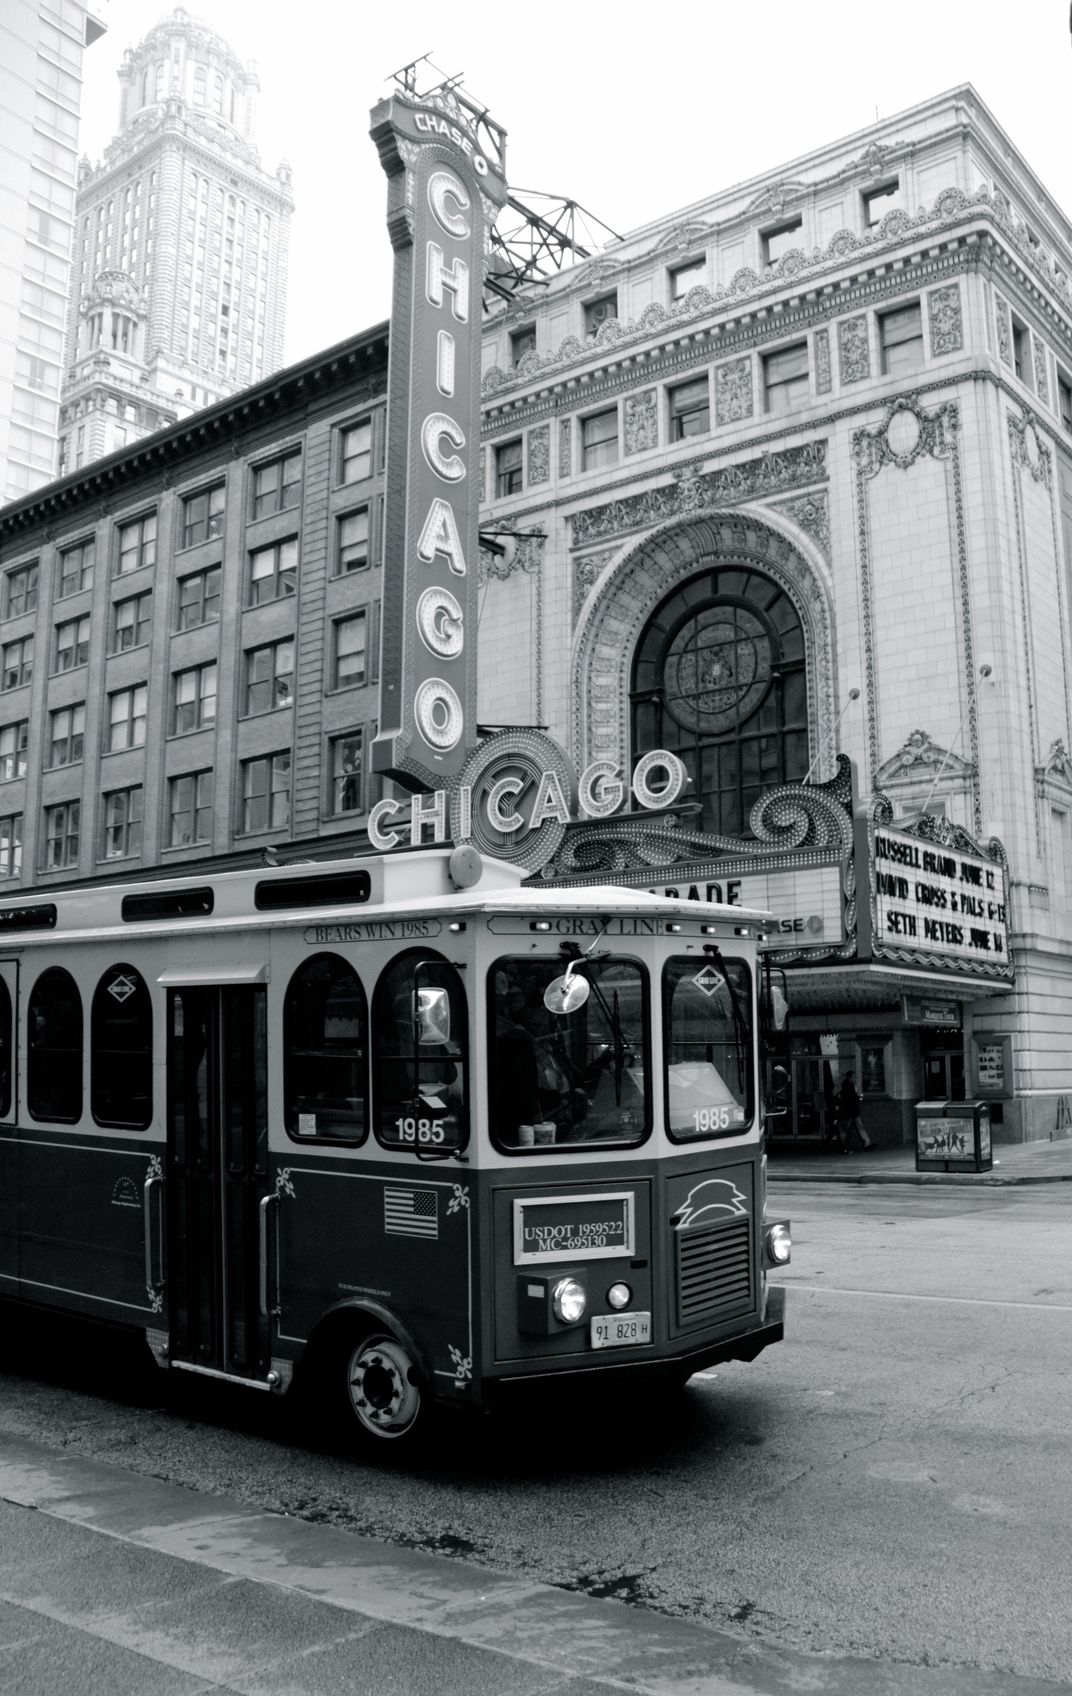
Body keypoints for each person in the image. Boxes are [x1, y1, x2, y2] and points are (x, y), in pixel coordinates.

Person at [837, 1070, 871, 1151]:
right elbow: (849, 1098)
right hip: (850, 1111)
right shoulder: (847, 1086)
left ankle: (867, 1142)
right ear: (850, 1077)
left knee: (852, 1128)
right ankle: (844, 1146)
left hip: (851, 1111)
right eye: (854, 1077)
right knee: (848, 1128)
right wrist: (858, 1097)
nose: (855, 1078)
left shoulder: (847, 1085)